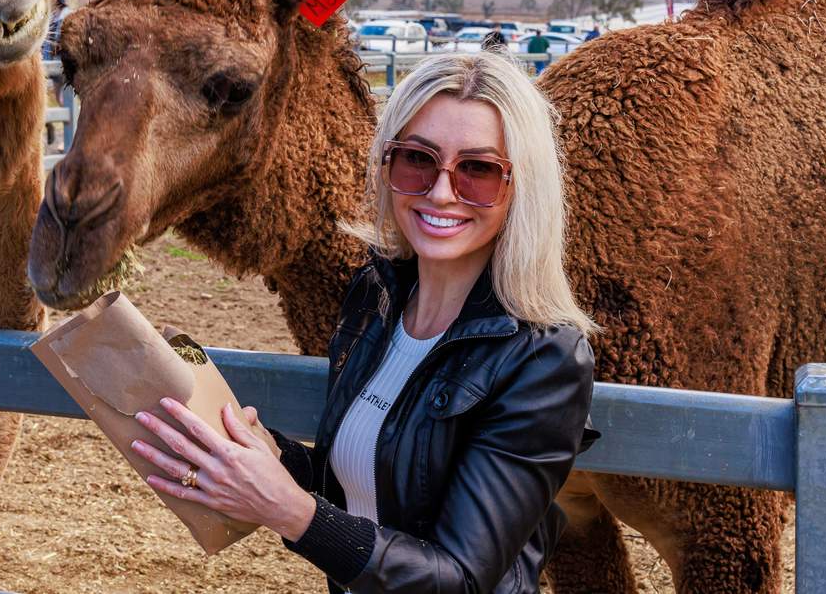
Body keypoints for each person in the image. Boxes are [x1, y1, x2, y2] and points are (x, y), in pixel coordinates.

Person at [131, 52, 598, 593]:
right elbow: (361, 488)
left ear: (522, 188)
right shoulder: (374, 299)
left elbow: (463, 580)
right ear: (385, 166)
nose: (441, 191)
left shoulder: (544, 358)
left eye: (479, 170)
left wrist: (292, 512)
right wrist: (256, 449)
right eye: (417, 160)